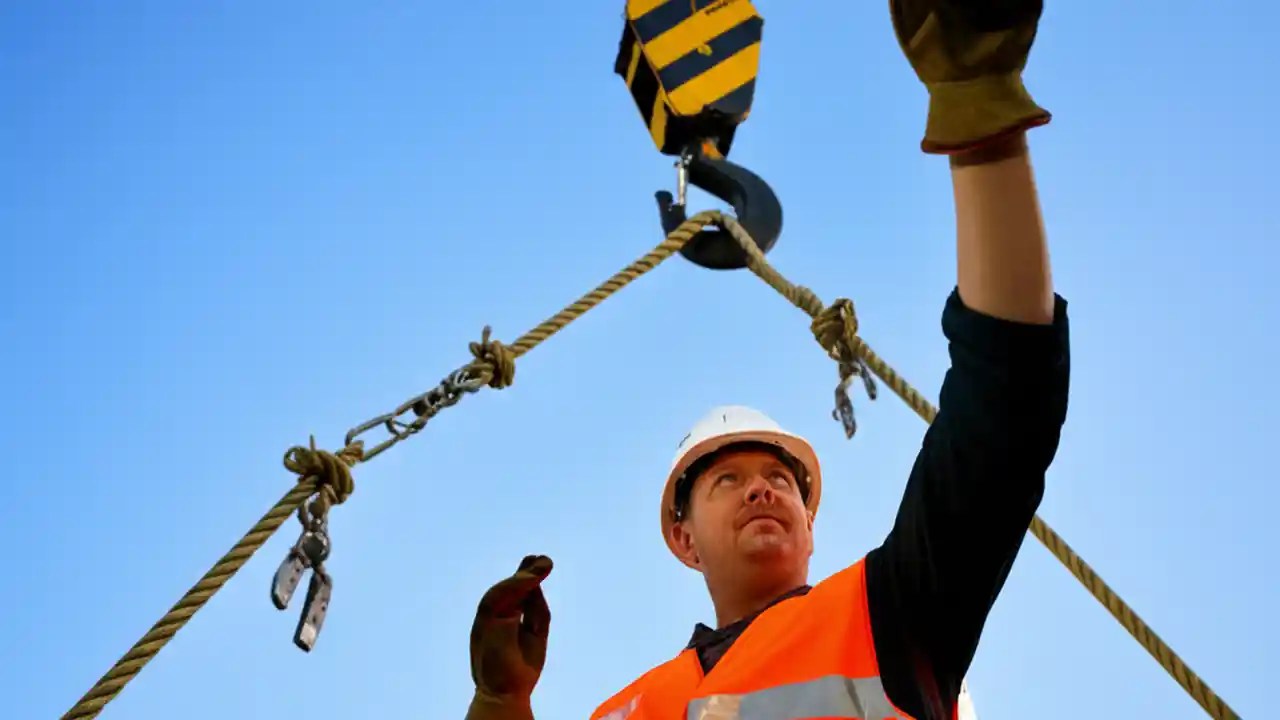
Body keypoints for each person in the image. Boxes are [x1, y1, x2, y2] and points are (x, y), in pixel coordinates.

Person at [464, 0, 1070, 718]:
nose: (763, 491)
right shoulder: (626, 709)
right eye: (728, 480)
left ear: (811, 527)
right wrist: (500, 702)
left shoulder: (891, 612)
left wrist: (977, 104)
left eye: (781, 479)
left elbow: (1002, 408)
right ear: (684, 538)